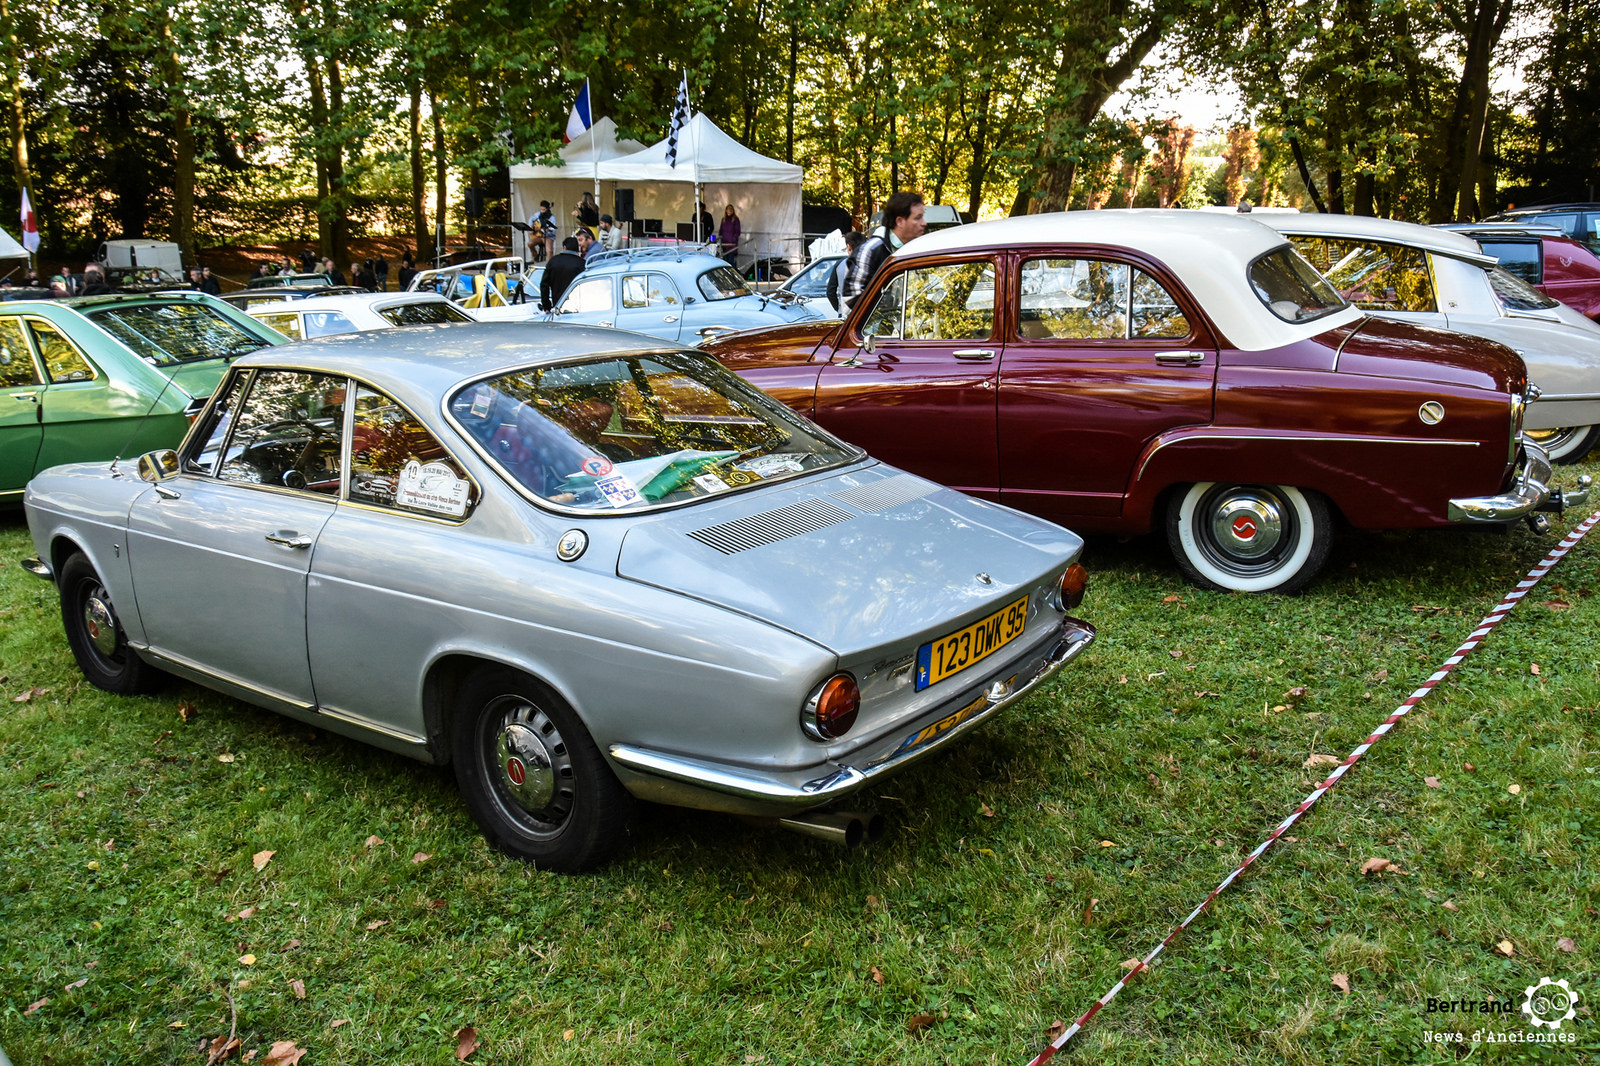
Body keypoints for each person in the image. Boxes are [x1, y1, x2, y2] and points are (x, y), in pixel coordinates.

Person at [842, 190, 926, 305]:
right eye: (918, 218)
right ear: (900, 221)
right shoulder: (871, 250)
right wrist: (890, 307)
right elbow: (851, 295)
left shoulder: (918, 248)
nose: (924, 223)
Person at [826, 230, 866, 314]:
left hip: (845, 313)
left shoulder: (839, 264)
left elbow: (830, 292)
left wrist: (839, 308)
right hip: (865, 314)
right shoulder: (871, 263)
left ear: (849, 247)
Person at [541, 236, 585, 311]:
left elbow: (544, 285)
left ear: (564, 247)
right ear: (577, 249)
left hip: (557, 305)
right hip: (577, 307)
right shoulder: (581, 263)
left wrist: (546, 306)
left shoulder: (553, 261)